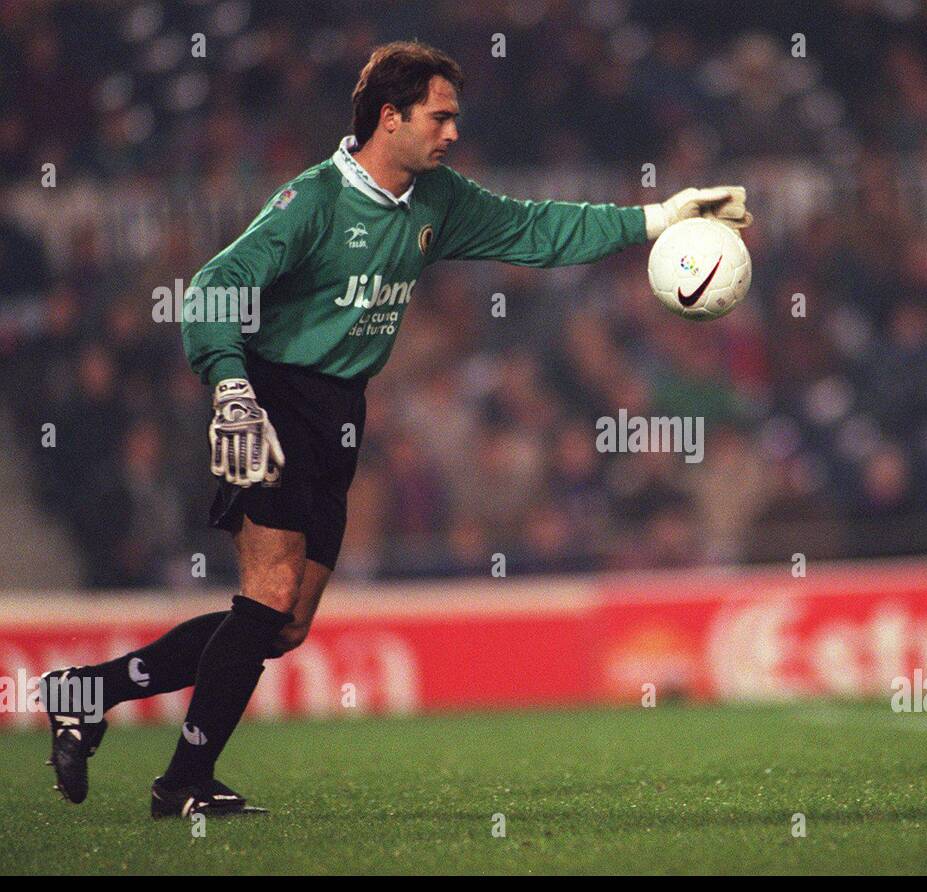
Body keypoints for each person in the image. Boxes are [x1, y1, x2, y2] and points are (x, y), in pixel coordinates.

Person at [40, 40, 751, 818]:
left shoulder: (437, 201)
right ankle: (181, 784)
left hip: (343, 411)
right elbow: (213, 288)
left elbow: (538, 228)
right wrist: (231, 389)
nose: (452, 133)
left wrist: (661, 216)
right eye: (440, 117)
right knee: (268, 590)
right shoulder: (312, 201)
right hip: (271, 398)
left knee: (284, 626)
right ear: (391, 116)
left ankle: (92, 691)